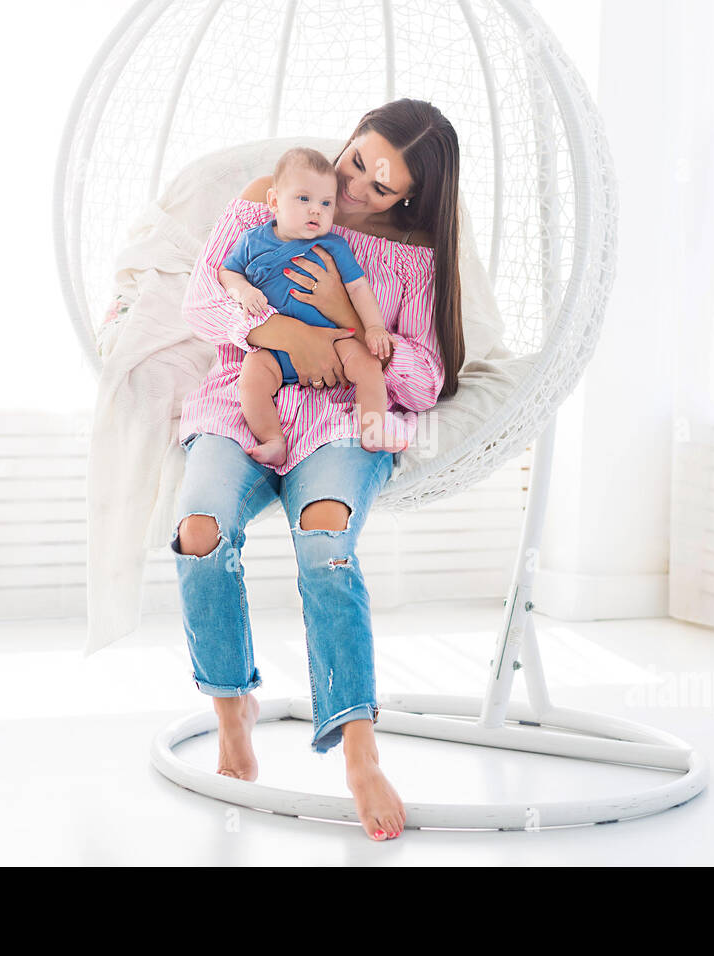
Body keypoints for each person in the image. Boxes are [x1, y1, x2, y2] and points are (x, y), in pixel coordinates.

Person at [173, 98, 465, 841]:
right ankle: (231, 704)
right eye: (357, 158)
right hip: (244, 400)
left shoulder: (413, 256)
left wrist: (347, 314)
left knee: (326, 545)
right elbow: (204, 296)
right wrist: (279, 332)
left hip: (342, 422)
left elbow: (426, 380)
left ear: (409, 197)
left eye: (381, 184)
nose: (356, 185)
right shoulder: (268, 203)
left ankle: (360, 751)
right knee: (200, 531)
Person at [218, 146, 408, 465]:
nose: (316, 210)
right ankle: (273, 440)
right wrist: (242, 291)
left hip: (332, 341)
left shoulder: (333, 245)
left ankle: (372, 429)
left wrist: (374, 327)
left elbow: (359, 287)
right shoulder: (253, 240)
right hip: (272, 351)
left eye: (325, 203)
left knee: (368, 365)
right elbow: (227, 272)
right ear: (275, 201)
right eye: (304, 199)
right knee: (250, 381)